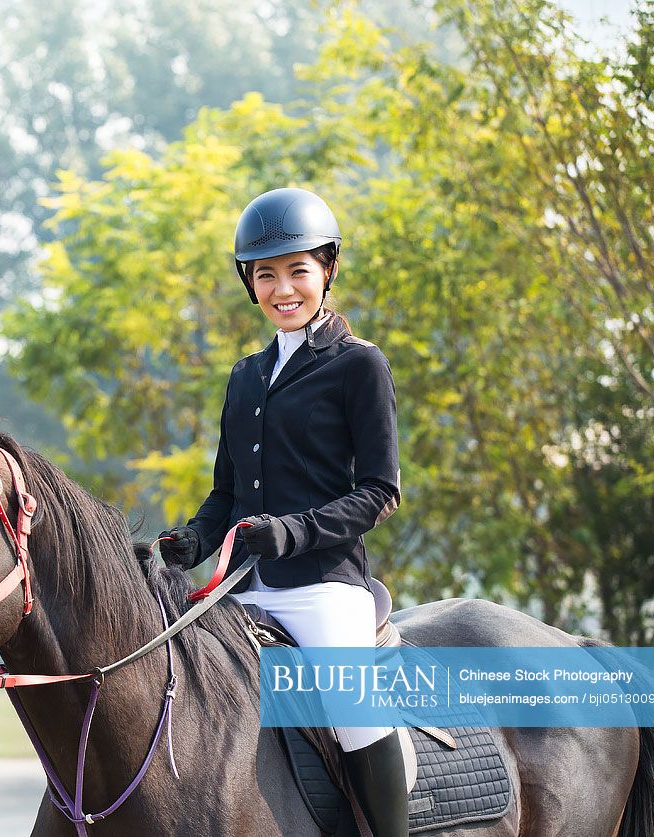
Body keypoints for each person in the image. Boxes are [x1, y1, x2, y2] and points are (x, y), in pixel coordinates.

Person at [158, 187, 408, 836]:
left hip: (322, 585)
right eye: (265, 274)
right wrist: (191, 539)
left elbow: (379, 489)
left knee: (354, 711)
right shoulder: (244, 375)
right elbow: (226, 493)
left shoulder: (359, 365)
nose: (282, 288)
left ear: (326, 269)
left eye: (297, 270)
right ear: (250, 284)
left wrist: (292, 531)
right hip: (238, 590)